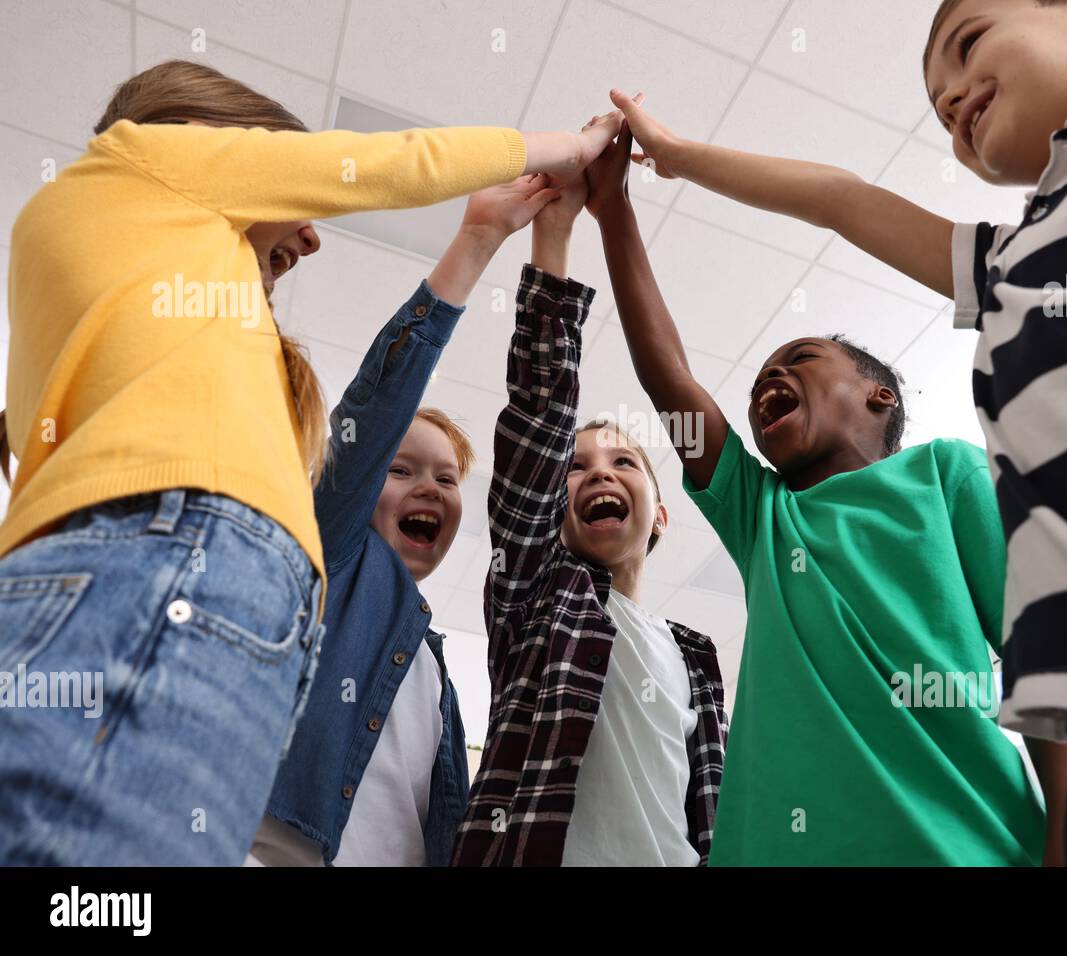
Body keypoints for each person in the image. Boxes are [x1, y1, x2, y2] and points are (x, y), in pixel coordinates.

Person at [608, 0, 1067, 865]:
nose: (952, 103)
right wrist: (642, 187)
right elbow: (840, 202)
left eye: (968, 44)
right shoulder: (1013, 264)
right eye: (936, 106)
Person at [0, 59, 620, 865]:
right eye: (286, 189)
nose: (312, 232)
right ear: (203, 143)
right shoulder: (147, 155)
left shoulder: (102, 280)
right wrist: (571, 147)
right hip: (180, 565)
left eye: (443, 476)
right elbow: (396, 164)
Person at [583, 117, 1047, 865]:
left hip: (961, 848)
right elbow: (667, 377)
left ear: (878, 399)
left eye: (799, 358)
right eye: (761, 375)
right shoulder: (762, 516)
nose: (770, 376)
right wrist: (615, 212)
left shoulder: (945, 475)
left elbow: (1052, 666)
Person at [247, 176, 557, 867]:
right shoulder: (328, 556)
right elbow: (377, 405)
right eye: (401, 469)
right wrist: (478, 241)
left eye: (448, 479)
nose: (432, 489)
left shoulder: (433, 669)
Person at [452, 137, 728, 866]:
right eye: (576, 469)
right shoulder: (535, 598)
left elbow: (712, 816)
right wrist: (557, 222)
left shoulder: (695, 657)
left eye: (625, 461)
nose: (598, 474)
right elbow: (539, 415)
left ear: (660, 514)